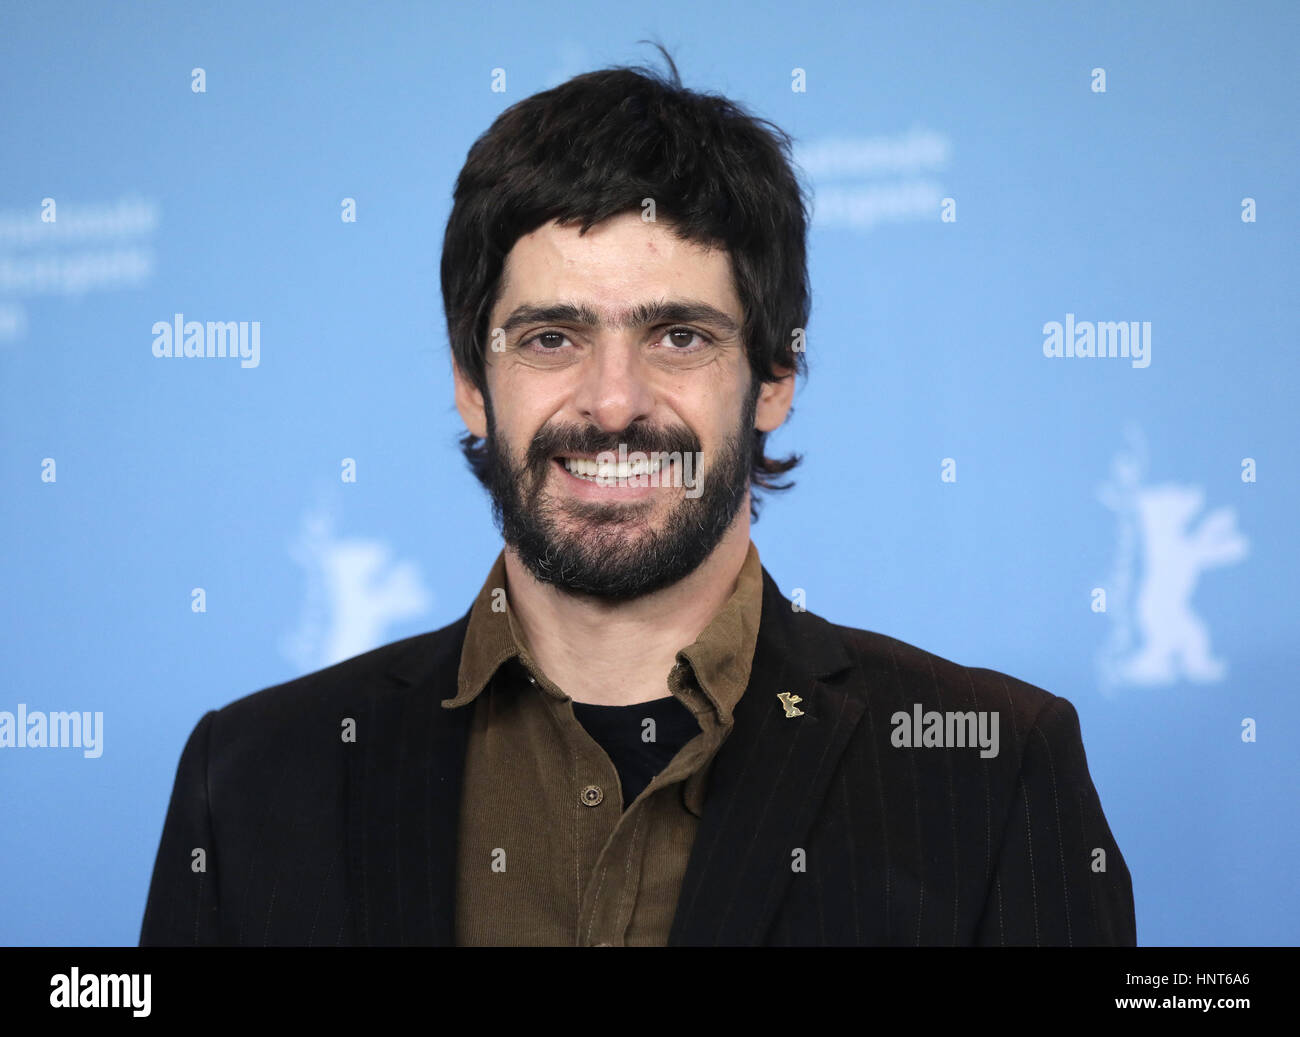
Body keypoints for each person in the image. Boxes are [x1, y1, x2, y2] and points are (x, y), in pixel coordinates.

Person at [140, 49, 1135, 947]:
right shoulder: (259, 775)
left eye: (679, 336)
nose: (613, 402)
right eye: (550, 338)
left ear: (776, 377)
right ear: (469, 382)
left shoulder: (988, 770)